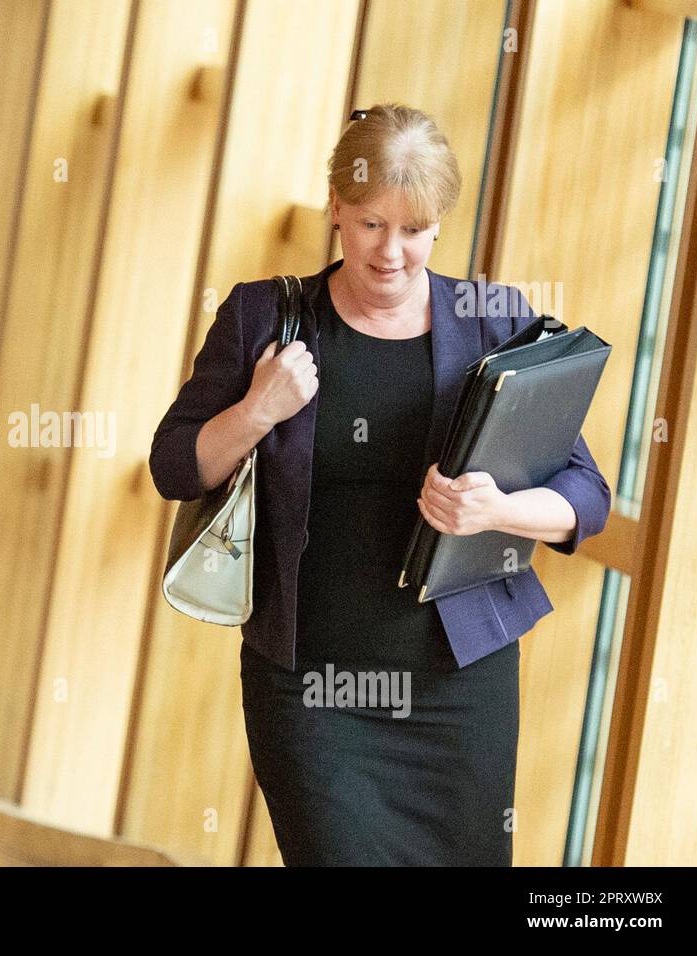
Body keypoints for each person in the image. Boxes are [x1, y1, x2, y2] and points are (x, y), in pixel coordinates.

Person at [149, 104, 611, 866]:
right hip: (311, 692)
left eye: (415, 229)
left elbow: (586, 494)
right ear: (335, 208)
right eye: (370, 224)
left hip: (458, 690)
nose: (392, 251)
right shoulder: (264, 315)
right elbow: (175, 466)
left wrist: (498, 509)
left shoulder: (494, 322)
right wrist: (256, 411)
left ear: (439, 226)